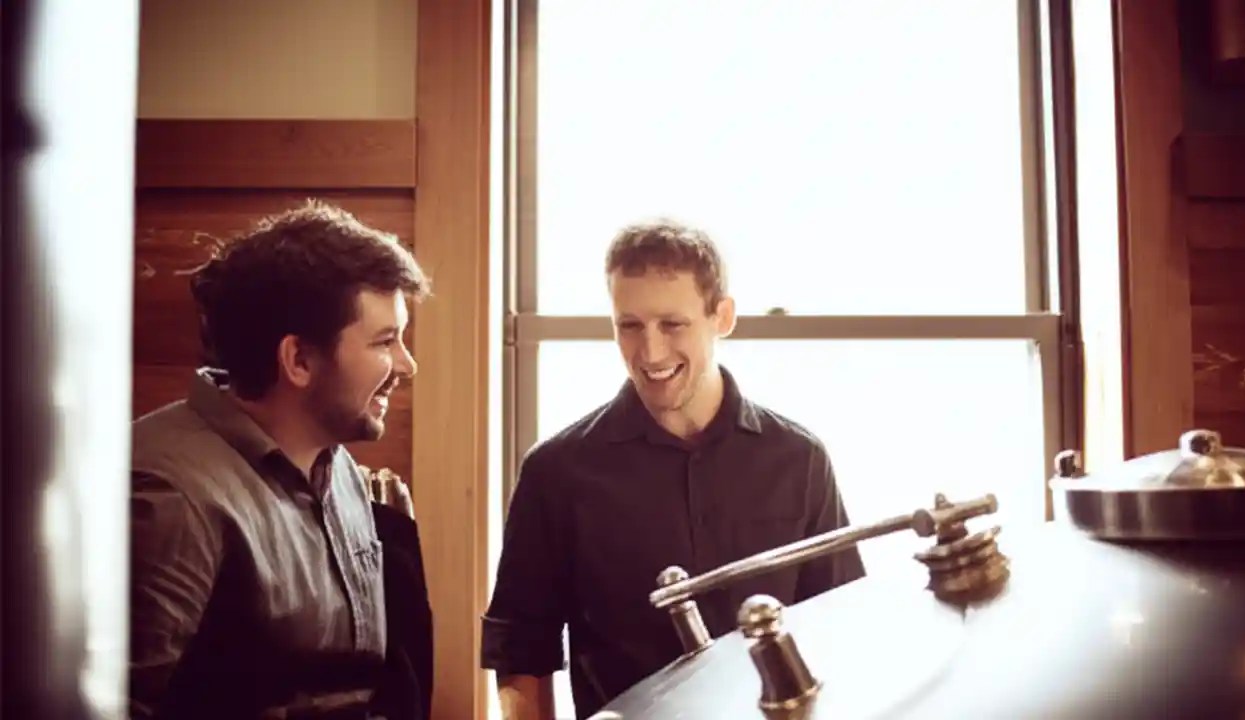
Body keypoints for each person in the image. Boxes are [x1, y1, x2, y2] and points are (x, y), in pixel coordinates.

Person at [481, 219, 867, 719]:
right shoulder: (556, 471)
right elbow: (520, 652)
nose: (651, 352)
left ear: (722, 316)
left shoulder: (800, 459)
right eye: (630, 326)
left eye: (672, 325)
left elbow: (843, 627)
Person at [129, 201, 431, 719]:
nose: (408, 364)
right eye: (385, 341)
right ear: (298, 360)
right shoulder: (172, 495)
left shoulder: (337, 466)